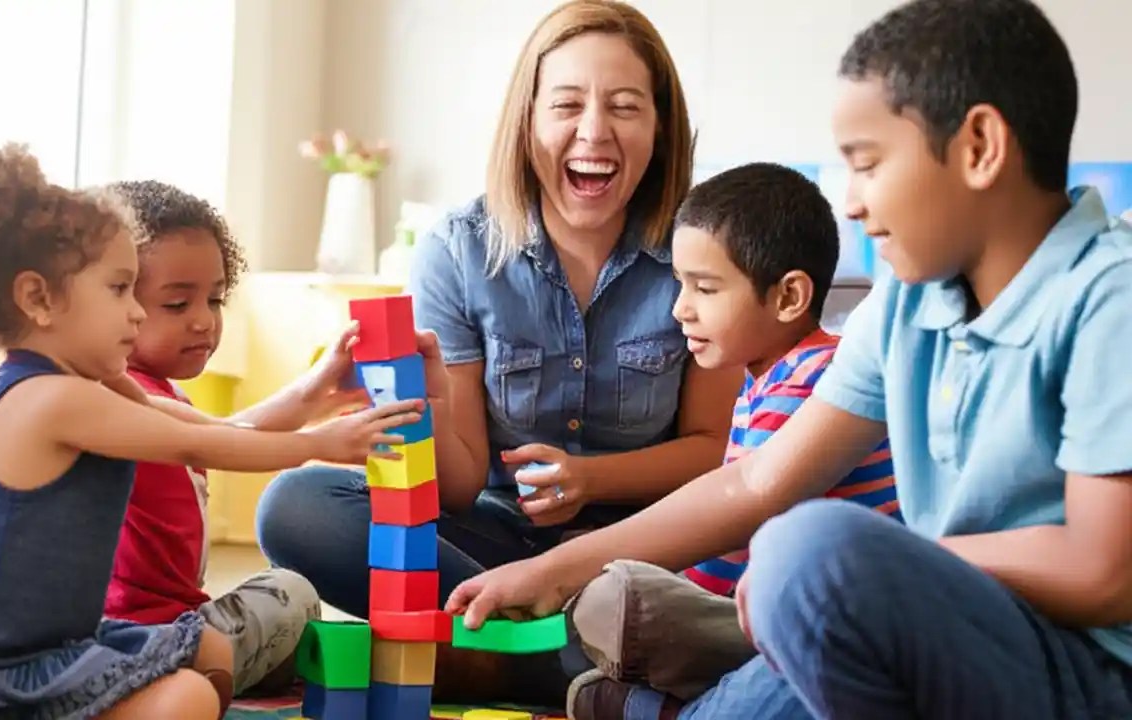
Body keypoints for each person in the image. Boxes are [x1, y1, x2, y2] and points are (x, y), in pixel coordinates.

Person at [450, 0, 1132, 717]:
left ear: (980, 147)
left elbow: (1104, 570)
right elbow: (755, 485)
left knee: (808, 551)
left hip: (1086, 667)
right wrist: (554, 572)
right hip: (939, 629)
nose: (854, 201)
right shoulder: (908, 298)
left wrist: (888, 569)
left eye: (868, 164)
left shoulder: (1107, 295)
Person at [255, 0, 741, 703]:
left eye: (627, 107)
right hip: (493, 540)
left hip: (643, 554)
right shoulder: (458, 252)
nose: (595, 131)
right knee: (297, 505)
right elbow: (453, 490)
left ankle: (528, 656)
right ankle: (569, 663)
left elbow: (713, 451)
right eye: (567, 104)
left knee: (713, 571)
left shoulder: (699, 249)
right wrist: (436, 406)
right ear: (528, 120)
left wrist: (593, 481)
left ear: (660, 127)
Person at [0, 144, 421, 720]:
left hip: (65, 645)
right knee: (192, 694)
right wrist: (318, 447)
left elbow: (206, 427)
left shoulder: (98, 382)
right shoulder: (53, 399)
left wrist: (316, 400)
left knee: (208, 649)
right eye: (120, 289)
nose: (134, 311)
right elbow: (198, 445)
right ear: (38, 299)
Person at [542, 162, 898, 717]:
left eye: (704, 288)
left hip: (796, 613)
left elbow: (734, 531)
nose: (680, 307)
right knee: (606, 599)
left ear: (788, 298)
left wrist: (644, 577)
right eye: (680, 284)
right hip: (750, 605)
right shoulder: (766, 379)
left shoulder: (810, 379)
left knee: (617, 599)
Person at [103, 180, 361, 698]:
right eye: (177, 304)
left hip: (172, 622)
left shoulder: (157, 393)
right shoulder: (113, 398)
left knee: (297, 615)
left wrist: (316, 392)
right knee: (292, 593)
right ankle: (162, 684)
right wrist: (320, 440)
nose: (204, 320)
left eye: (216, 299)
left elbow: (232, 433)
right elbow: (233, 441)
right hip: (126, 636)